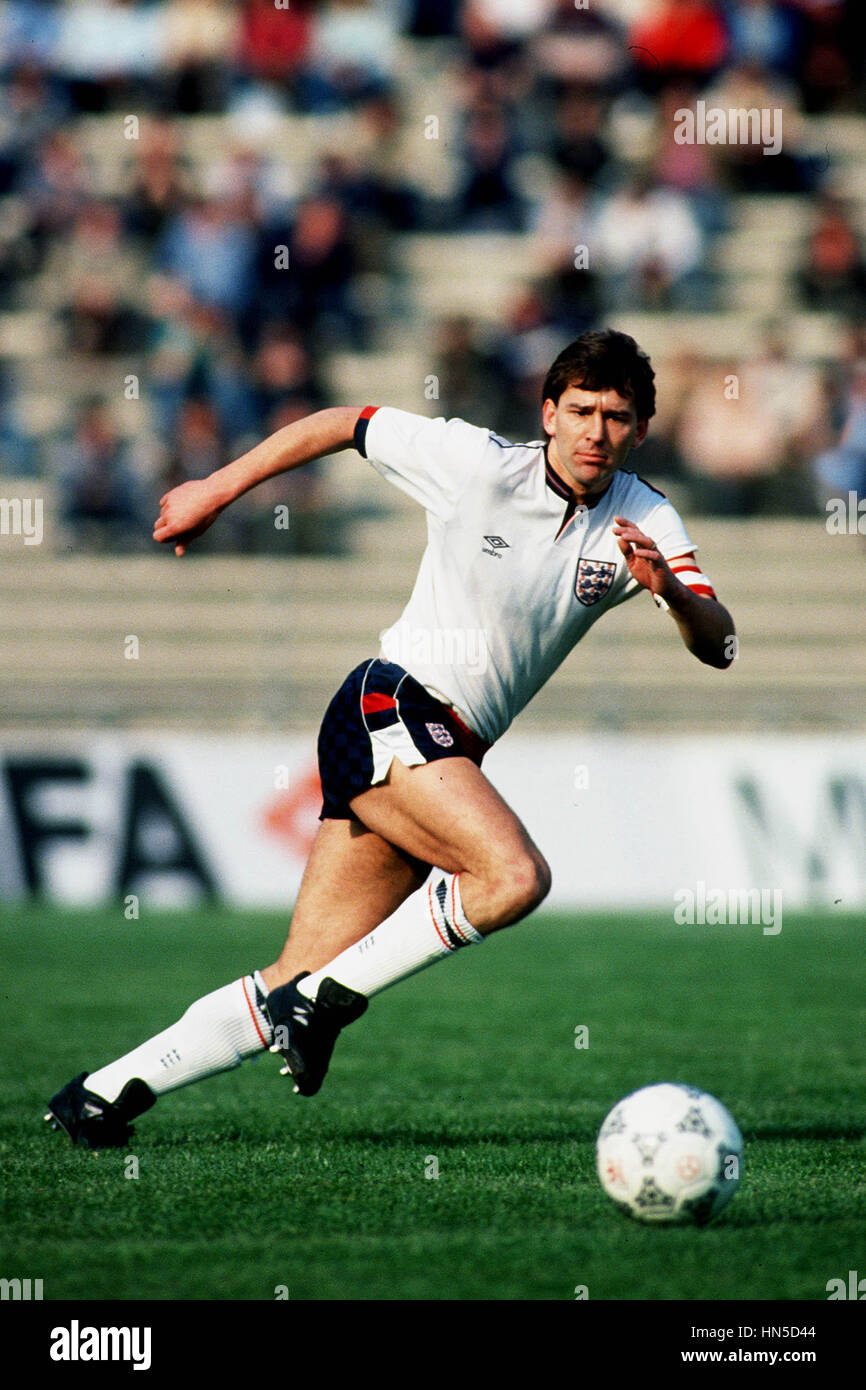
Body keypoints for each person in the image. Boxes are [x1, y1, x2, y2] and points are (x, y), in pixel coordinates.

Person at [45, 329, 735, 1148]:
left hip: (444, 746)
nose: (596, 432)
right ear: (547, 413)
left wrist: (673, 595)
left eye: (617, 418)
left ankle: (97, 1096)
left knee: (294, 973)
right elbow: (344, 421)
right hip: (391, 704)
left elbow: (719, 642)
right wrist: (216, 489)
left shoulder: (646, 516)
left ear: (641, 430)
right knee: (513, 876)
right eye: (580, 411)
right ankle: (327, 999)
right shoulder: (478, 465)